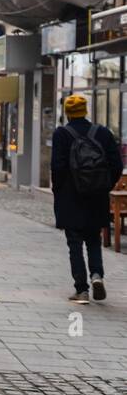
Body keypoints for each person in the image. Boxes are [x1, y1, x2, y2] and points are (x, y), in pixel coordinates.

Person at [51, 94, 123, 303]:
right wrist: (105, 185)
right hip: (97, 196)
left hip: (70, 197)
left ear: (67, 113)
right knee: (93, 239)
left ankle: (81, 289)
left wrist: (59, 191)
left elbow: (57, 167)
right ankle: (97, 275)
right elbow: (117, 165)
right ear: (86, 110)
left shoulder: (61, 134)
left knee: (74, 242)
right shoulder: (102, 133)